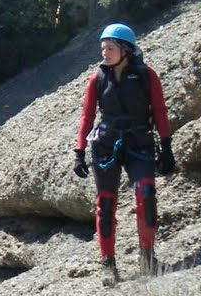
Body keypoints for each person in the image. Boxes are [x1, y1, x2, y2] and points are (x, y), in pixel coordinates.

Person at [72, 23, 175, 282]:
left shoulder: (146, 75)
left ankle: (147, 257)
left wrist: (166, 146)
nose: (104, 53)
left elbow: (160, 111)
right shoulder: (97, 79)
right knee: (106, 204)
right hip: (106, 145)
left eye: (110, 48)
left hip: (139, 143)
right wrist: (79, 151)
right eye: (103, 48)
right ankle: (108, 264)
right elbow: (87, 116)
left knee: (146, 194)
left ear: (126, 49)